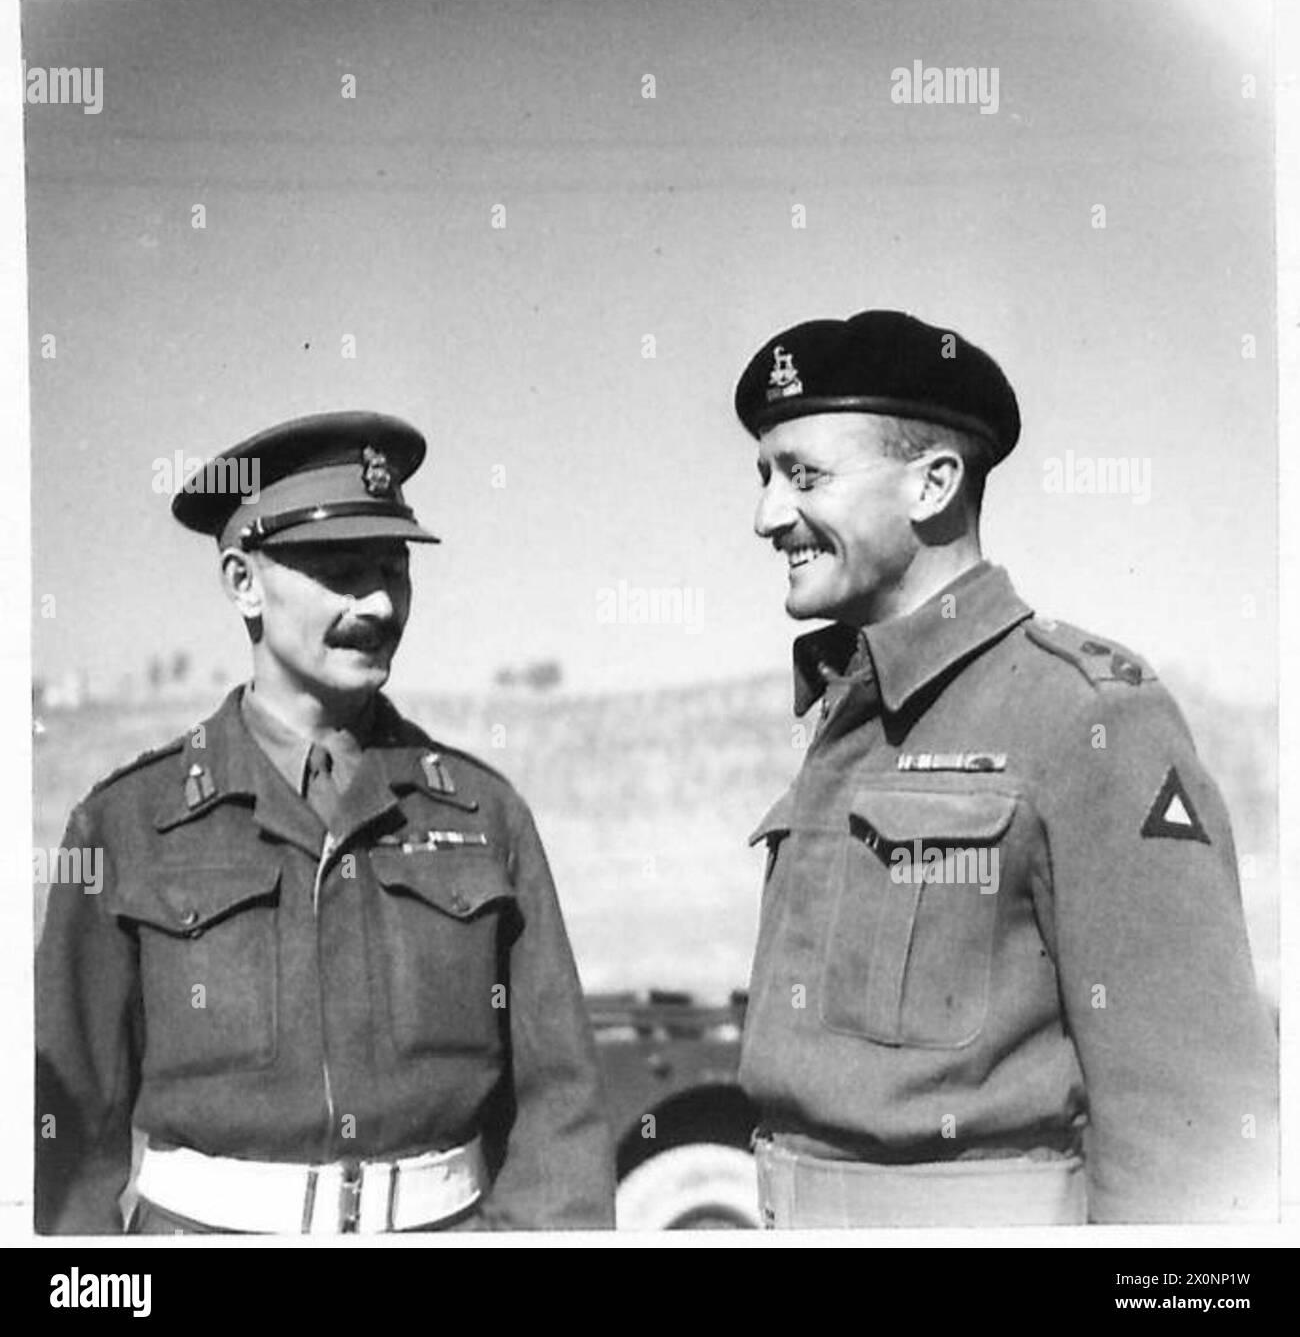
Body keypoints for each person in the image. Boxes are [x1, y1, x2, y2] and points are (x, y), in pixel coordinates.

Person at [733, 310, 1277, 1227]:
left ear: (933, 482)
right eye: (763, 477)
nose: (766, 516)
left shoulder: (1090, 714)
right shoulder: (843, 713)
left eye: (804, 476)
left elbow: (1197, 1127)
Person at [36, 411, 614, 1233]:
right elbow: (66, 1142)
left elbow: (561, 1110)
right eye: (341, 570)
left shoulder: (486, 815)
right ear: (243, 581)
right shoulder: (125, 824)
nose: (377, 601)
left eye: (393, 567)